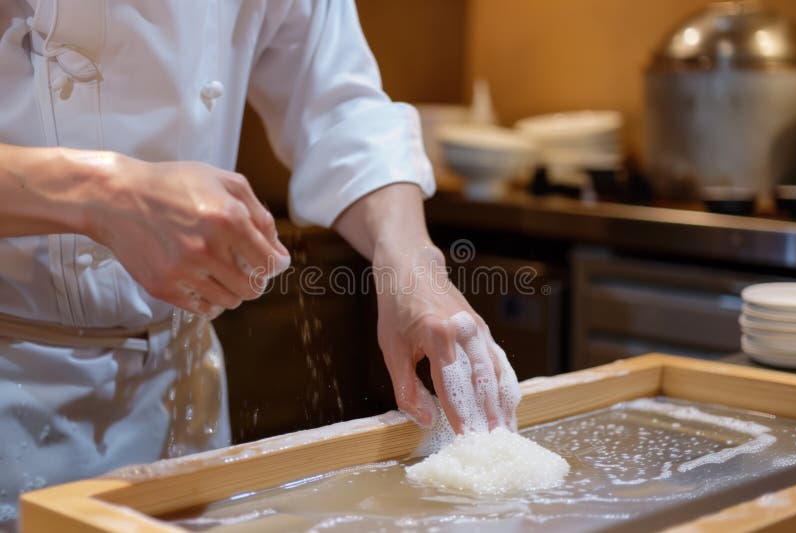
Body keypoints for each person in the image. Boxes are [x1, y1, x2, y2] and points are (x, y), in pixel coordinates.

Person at [0, 1, 520, 528]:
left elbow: (339, 108)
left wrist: (412, 260)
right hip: (12, 383)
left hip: (177, 391)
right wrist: (98, 193)